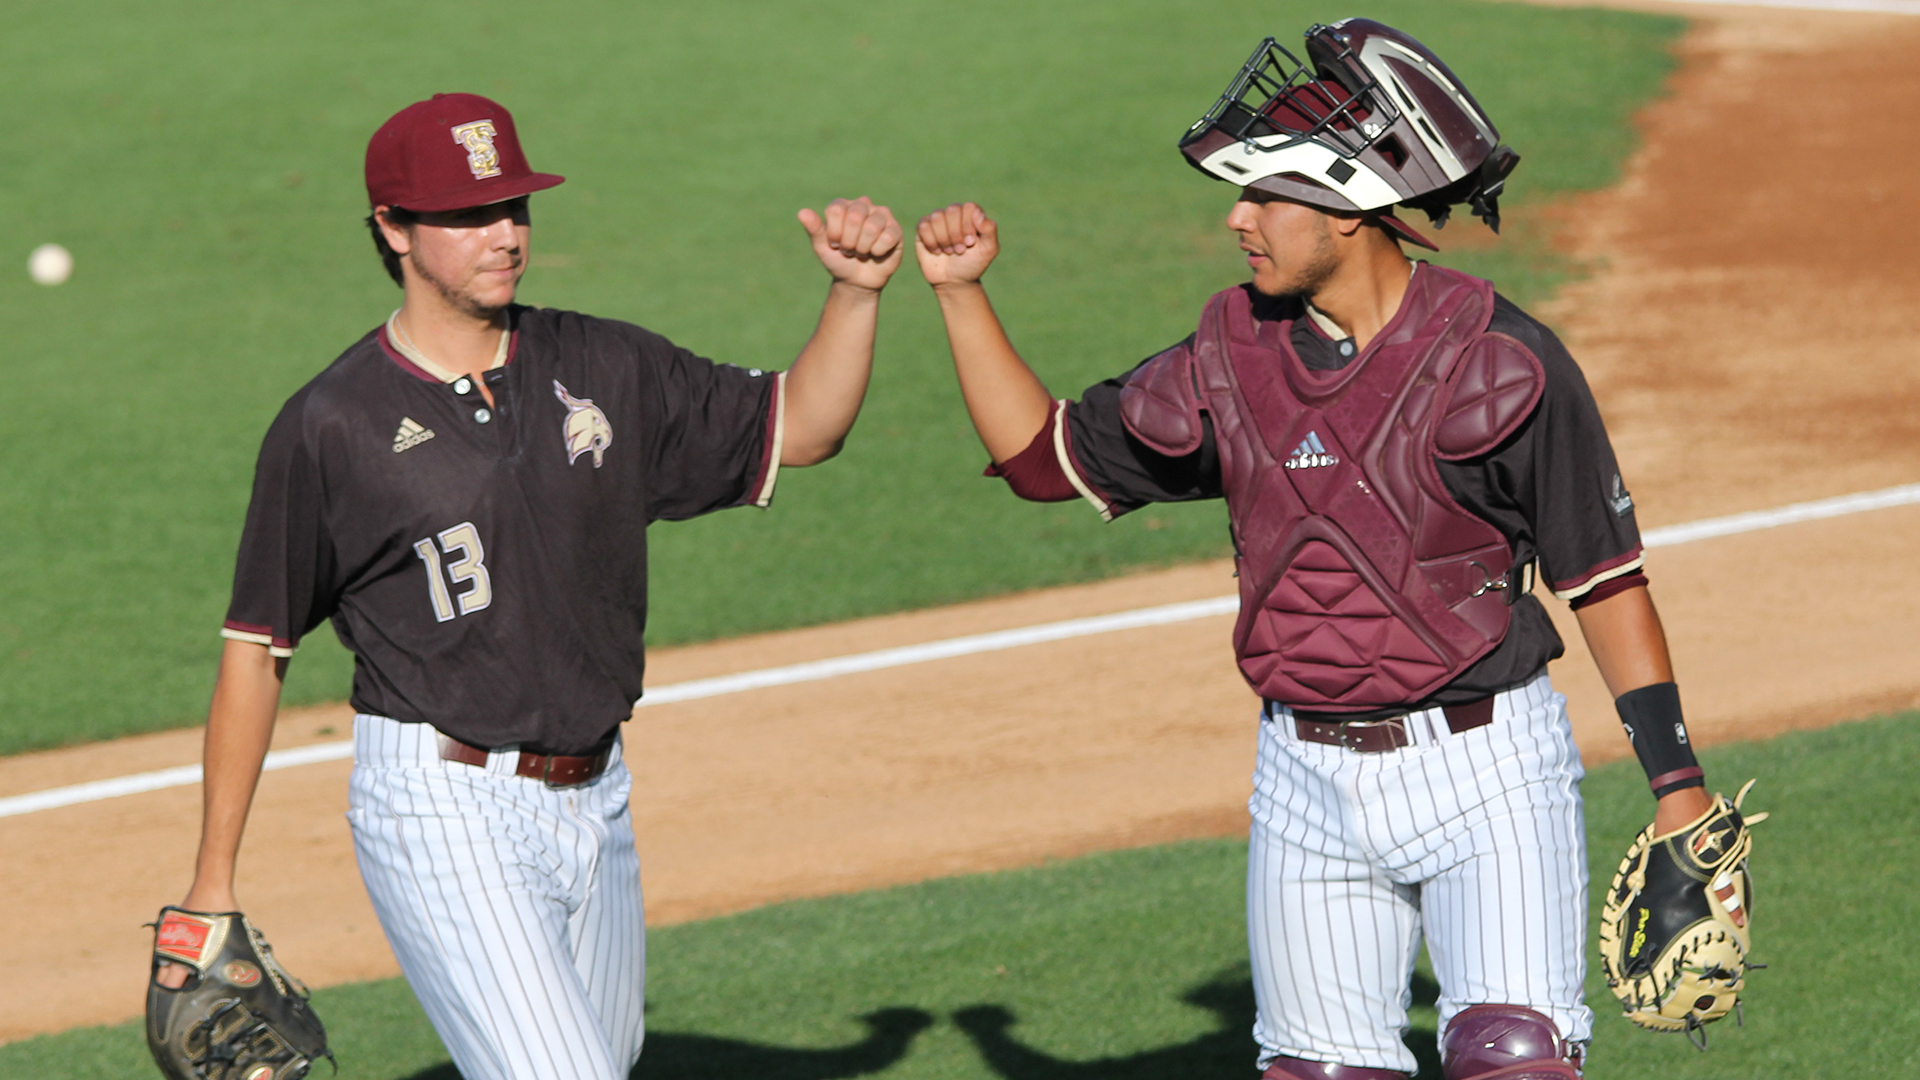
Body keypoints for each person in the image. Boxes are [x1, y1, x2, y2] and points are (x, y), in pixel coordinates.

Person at [915, 21, 1715, 1079]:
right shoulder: (1229, 354)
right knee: (1317, 1071)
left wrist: (1677, 783)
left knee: (1511, 1057)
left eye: (1265, 197)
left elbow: (1602, 578)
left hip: (1485, 769)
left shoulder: (1503, 363)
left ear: (1349, 209)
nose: (1237, 219)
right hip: (1302, 775)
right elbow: (1041, 459)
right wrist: (959, 292)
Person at [156, 92, 903, 1080]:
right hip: (442, 804)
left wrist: (855, 295)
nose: (504, 234)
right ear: (392, 228)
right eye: (468, 216)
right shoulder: (331, 424)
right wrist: (212, 888)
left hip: (598, 793)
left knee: (599, 1061)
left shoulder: (603, 363)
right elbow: (259, 650)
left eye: (514, 207)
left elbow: (802, 427)